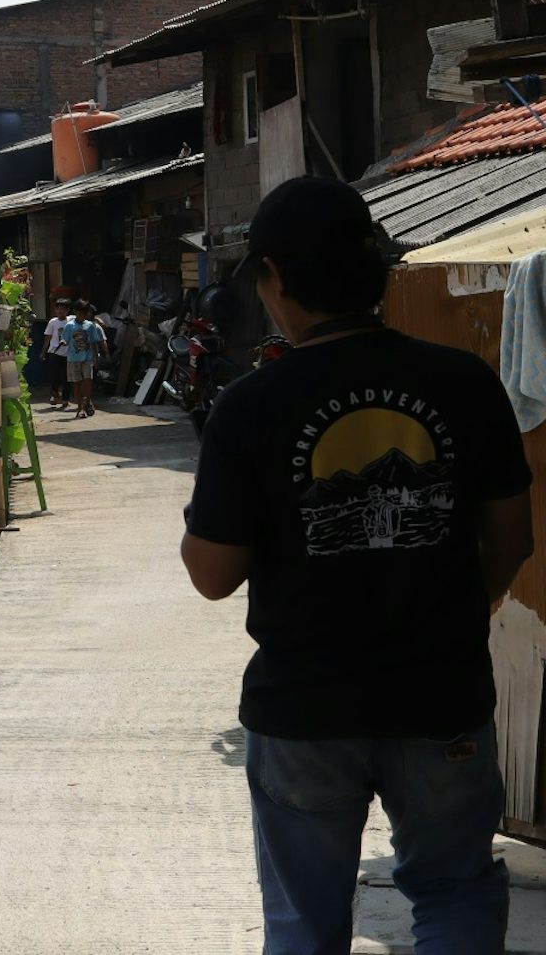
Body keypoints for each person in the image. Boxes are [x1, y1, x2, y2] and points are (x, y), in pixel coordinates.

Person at [181, 176, 534, 955]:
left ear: (275, 278)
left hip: (305, 710)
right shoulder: (464, 383)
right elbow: (512, 537)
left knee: (304, 926)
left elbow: (211, 573)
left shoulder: (251, 405)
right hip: (441, 696)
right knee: (454, 892)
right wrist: (455, 610)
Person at [63, 300, 104, 418]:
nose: (83, 315)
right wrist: (63, 342)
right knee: (77, 383)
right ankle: (80, 408)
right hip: (73, 359)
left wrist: (96, 358)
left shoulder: (90, 326)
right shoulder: (69, 326)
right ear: (75, 312)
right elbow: (65, 338)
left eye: (85, 313)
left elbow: (94, 343)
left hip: (87, 358)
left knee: (88, 380)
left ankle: (87, 399)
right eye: (81, 312)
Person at [43, 298, 72, 408]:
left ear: (67, 310)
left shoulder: (71, 321)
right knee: (54, 376)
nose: (60, 311)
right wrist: (43, 351)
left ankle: (65, 399)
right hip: (54, 352)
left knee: (66, 377)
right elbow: (48, 337)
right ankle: (54, 396)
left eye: (63, 309)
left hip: (67, 353)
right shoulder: (53, 322)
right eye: (58, 308)